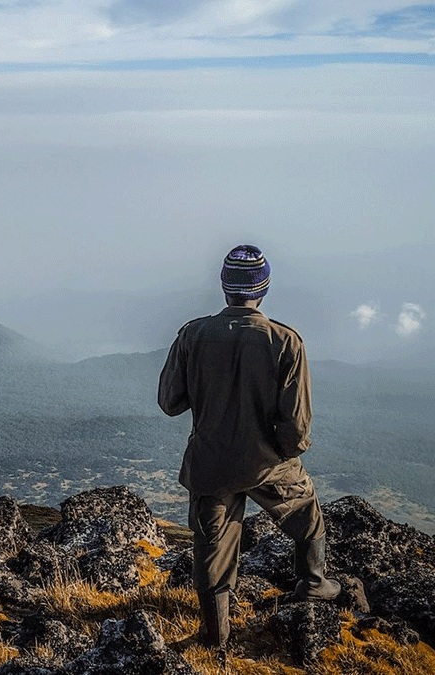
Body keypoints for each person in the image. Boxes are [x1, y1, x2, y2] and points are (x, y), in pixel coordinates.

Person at [157, 244, 341, 649]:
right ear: (264, 288)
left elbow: (170, 402)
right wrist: (281, 453)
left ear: (225, 289)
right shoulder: (285, 342)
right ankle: (312, 583)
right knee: (308, 518)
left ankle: (214, 635)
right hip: (267, 463)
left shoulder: (192, 334)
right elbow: (296, 428)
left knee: (211, 547)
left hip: (210, 463)